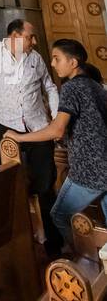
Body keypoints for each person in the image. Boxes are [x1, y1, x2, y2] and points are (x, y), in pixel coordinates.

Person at [0, 17, 62, 256]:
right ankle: (11, 240)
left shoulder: (35, 58)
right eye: (30, 36)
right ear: (15, 36)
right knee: (7, 181)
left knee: (45, 184)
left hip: (38, 127)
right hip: (4, 125)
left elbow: (49, 86)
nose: (34, 41)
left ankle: (54, 244)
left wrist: (55, 116)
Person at [15, 39, 107, 251]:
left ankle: (88, 261)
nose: (53, 64)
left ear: (73, 62)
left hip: (90, 169)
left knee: (59, 214)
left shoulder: (72, 87)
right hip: (103, 163)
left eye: (57, 59)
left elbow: (57, 129)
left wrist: (20, 137)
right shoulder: (96, 85)